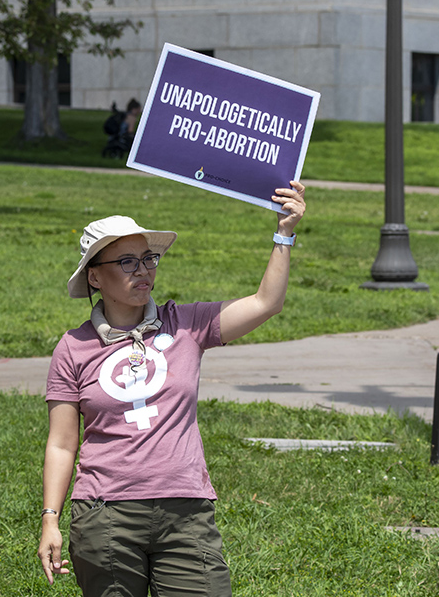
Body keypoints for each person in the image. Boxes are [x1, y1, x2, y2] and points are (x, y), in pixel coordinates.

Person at [37, 181, 306, 595]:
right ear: (94, 275)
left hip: (186, 512)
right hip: (105, 515)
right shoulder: (74, 347)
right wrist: (50, 519)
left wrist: (283, 233)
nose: (143, 270)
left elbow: (266, 303)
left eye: (149, 258)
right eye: (126, 262)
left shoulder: (186, 324)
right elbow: (60, 444)